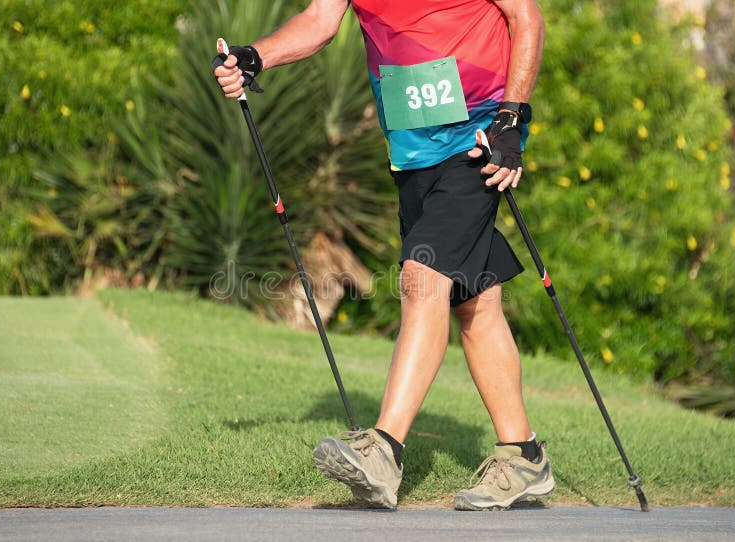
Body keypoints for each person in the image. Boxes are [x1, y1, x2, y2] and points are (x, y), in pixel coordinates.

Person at [214, 0, 552, 511]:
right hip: (412, 151)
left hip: (479, 140)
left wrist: (512, 119)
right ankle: (524, 457)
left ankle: (384, 450)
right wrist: (255, 56)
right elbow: (320, 20)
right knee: (473, 300)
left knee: (423, 278)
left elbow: (526, 17)